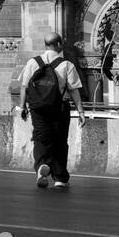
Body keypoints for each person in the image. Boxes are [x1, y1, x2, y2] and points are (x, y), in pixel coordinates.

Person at [20, 32, 87, 189]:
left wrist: (22, 107)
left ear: (45, 45)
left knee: (41, 137)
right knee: (59, 141)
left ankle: (42, 166)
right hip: (59, 107)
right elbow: (74, 91)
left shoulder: (32, 63)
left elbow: (24, 86)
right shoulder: (67, 65)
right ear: (58, 45)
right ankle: (59, 177)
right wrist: (81, 111)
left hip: (37, 108)